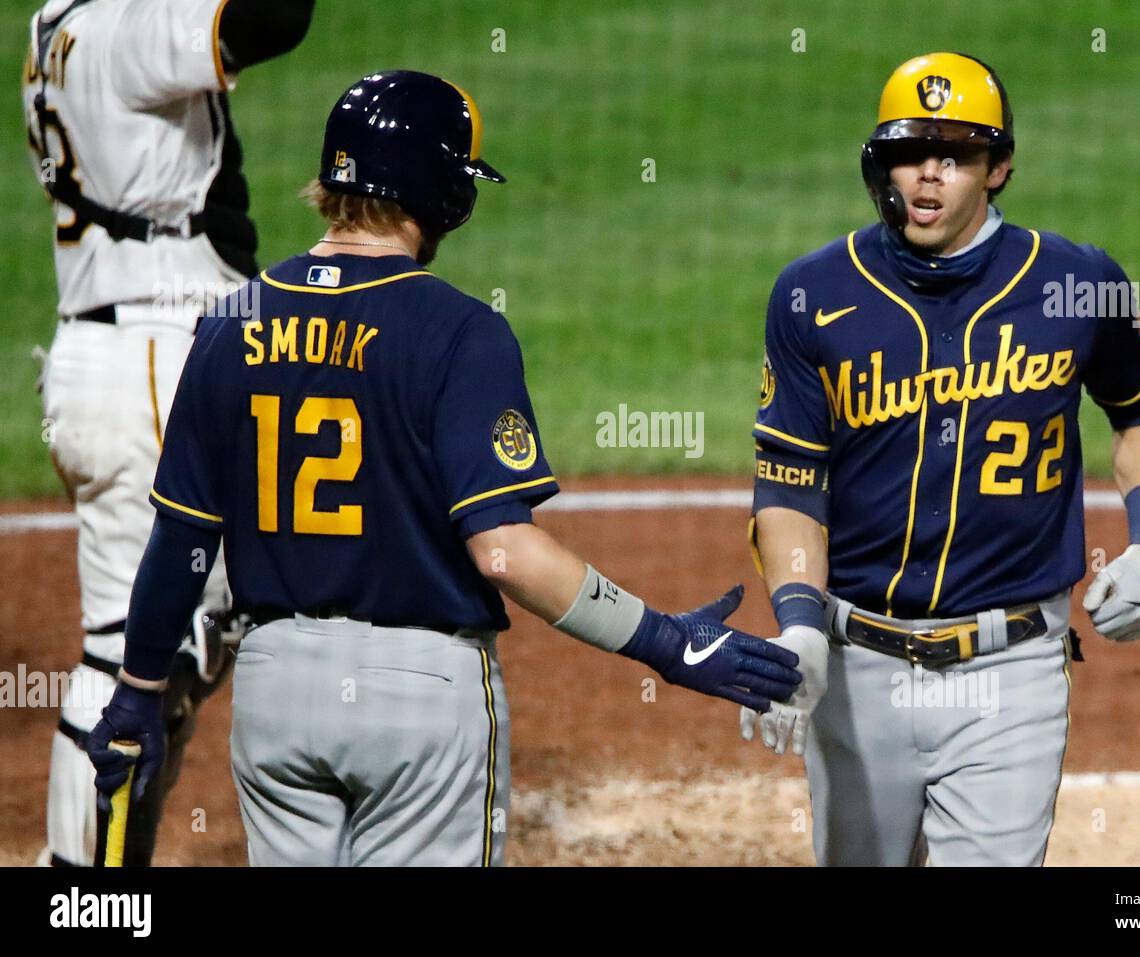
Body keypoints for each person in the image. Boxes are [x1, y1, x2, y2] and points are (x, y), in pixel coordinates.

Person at [86, 71, 802, 867]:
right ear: (437, 189)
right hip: (418, 698)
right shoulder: (460, 331)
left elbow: (183, 537)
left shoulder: (230, 322)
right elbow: (503, 551)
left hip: (274, 693)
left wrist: (139, 690)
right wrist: (666, 642)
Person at [741, 52, 1140, 866]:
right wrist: (798, 627)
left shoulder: (1077, 283)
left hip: (1012, 672)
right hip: (857, 666)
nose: (928, 175)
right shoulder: (812, 293)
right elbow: (791, 482)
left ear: (998, 167)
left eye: (956, 155)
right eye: (910, 153)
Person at [22, 0, 314, 866]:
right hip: (150, 358)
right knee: (134, 655)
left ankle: (95, 869)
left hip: (115, 351)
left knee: (173, 643)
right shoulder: (128, 25)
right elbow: (275, 17)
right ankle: (86, 892)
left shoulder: (57, 22)